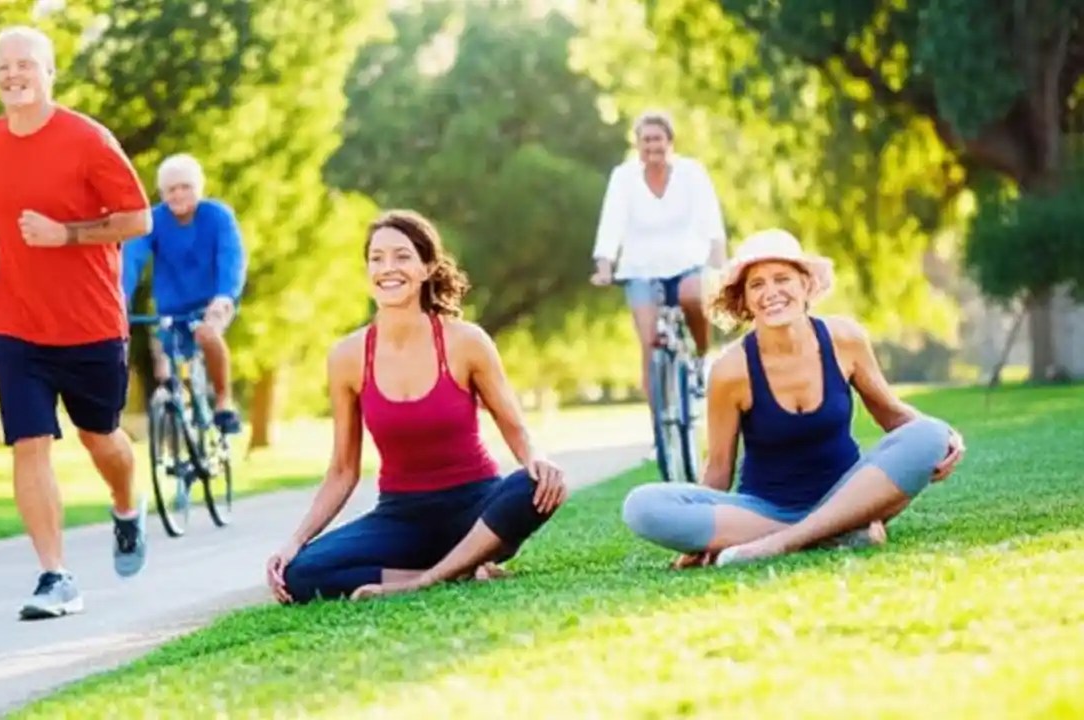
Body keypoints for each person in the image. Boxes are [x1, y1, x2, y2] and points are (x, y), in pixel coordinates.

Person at [265, 210, 569, 604]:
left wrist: (537, 460)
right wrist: (294, 541)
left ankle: (423, 581)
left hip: (476, 510)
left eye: (402, 256)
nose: (388, 268)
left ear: (427, 268)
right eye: (377, 258)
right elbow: (343, 470)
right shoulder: (347, 357)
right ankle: (453, 571)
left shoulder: (466, 342)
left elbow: (515, 428)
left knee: (534, 484)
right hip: (401, 517)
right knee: (302, 574)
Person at [620, 229, 967, 567]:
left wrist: (948, 439)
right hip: (764, 510)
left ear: (806, 285)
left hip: (851, 494)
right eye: (757, 284)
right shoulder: (730, 370)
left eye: (782, 278)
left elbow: (891, 416)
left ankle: (783, 543)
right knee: (641, 506)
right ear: (744, 301)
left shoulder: (845, 339)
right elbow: (719, 467)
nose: (771, 292)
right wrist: (699, 538)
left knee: (931, 434)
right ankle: (836, 533)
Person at [0, 26, 153, 620]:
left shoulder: (89, 140)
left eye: (26, 64)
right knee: (29, 442)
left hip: (91, 322)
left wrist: (65, 234)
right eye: (4, 67)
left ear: (49, 72)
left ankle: (127, 505)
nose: (13, 74)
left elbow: (139, 219)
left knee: (103, 439)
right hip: (17, 320)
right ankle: (55, 575)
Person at [590, 110, 727, 401]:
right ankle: (661, 437)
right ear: (638, 145)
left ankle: (701, 357)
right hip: (640, 267)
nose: (652, 146)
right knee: (650, 343)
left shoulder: (691, 172)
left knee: (692, 297)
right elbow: (611, 223)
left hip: (687, 260)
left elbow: (710, 218)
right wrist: (604, 265)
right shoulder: (623, 177)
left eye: (658, 139)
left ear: (670, 141)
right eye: (646, 140)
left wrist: (718, 260)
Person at [121, 153, 248, 434]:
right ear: (162, 192)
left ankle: (224, 402)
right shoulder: (153, 220)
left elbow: (232, 258)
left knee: (207, 334)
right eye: (170, 189)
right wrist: (120, 297)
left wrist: (225, 295)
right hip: (171, 307)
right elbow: (131, 260)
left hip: (213, 302)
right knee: (164, 367)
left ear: (198, 188)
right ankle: (178, 417)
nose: (178, 194)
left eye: (185, 187)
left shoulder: (217, 216)